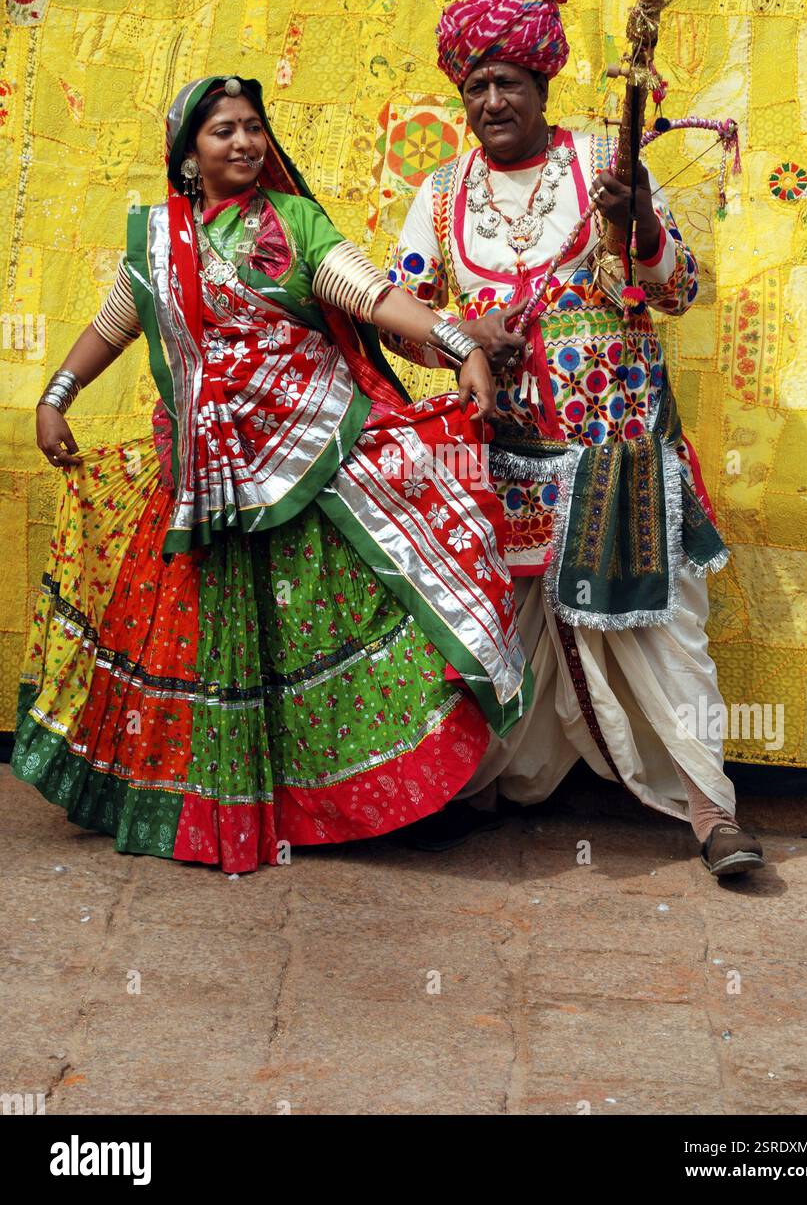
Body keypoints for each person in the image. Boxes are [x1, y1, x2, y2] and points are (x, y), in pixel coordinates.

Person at [13, 74, 532, 874]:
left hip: (308, 461)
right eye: (224, 130)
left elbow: (373, 296)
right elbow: (115, 322)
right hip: (210, 480)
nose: (246, 143)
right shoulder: (159, 237)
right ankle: (218, 808)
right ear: (189, 153)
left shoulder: (294, 225)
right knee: (219, 649)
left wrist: (459, 345)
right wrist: (57, 395)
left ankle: (362, 804)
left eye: (254, 127)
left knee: (336, 632)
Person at [384, 0, 764, 878]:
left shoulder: (604, 165)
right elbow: (400, 310)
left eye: (506, 81)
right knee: (499, 631)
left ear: (541, 82)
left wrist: (643, 232)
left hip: (620, 455)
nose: (488, 99)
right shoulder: (438, 194)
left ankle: (714, 814)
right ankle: (477, 783)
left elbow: (679, 291)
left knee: (665, 632)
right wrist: (461, 336)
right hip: (507, 464)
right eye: (473, 86)